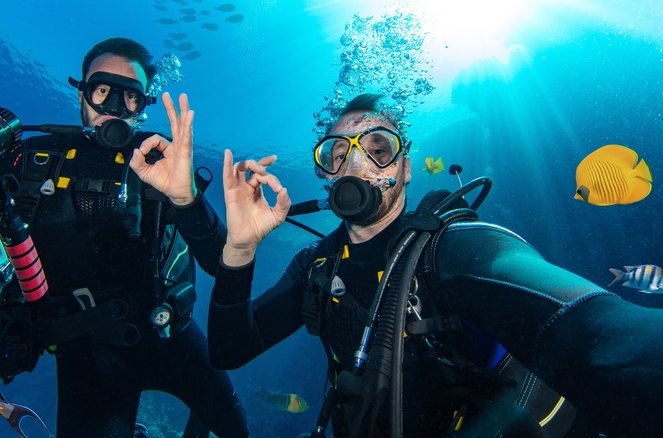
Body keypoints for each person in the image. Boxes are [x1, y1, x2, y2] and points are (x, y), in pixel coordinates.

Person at [208, 93, 663, 437]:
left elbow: (596, 328)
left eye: (378, 149)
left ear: (406, 168)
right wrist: (240, 251)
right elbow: (228, 352)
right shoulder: (316, 267)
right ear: (326, 173)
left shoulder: (455, 249)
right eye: (337, 154)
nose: (356, 165)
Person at [0, 37, 248, 437]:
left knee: (236, 429)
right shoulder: (34, 160)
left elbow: (222, 264)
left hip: (169, 336)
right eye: (102, 91)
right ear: (82, 93)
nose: (115, 107)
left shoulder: (161, 162)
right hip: (85, 355)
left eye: (130, 97)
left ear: (142, 106)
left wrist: (187, 198)